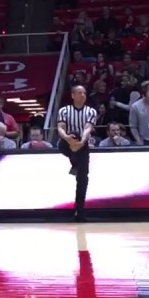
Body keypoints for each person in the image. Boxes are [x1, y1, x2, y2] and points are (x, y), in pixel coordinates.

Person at [56, 85, 97, 222]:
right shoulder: (64, 110)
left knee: (83, 178)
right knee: (71, 136)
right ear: (72, 95)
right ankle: (74, 161)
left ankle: (80, 210)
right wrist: (67, 138)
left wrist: (82, 142)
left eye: (84, 93)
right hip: (66, 143)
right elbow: (60, 128)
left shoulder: (90, 111)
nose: (83, 95)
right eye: (79, 93)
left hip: (82, 144)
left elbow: (87, 129)